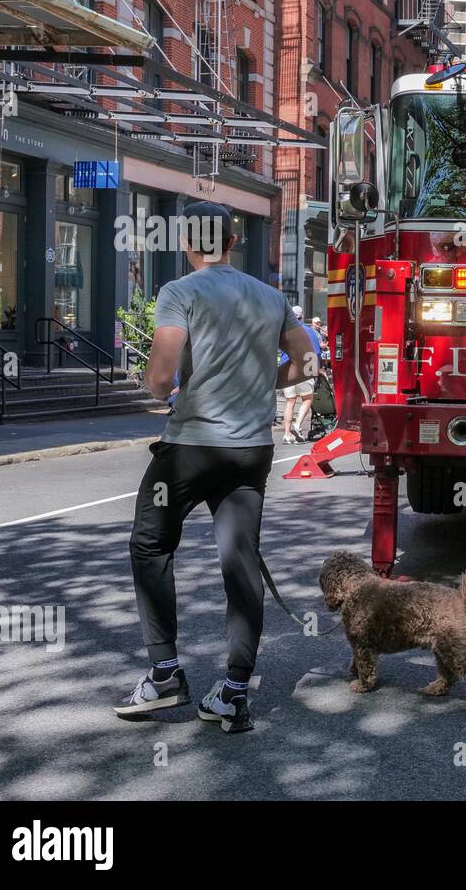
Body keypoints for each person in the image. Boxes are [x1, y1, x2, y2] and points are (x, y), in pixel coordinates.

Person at [114, 201, 315, 733]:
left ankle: (163, 674)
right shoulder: (271, 296)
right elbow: (309, 361)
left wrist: (162, 385)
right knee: (239, 561)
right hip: (251, 450)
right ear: (231, 241)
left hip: (192, 446)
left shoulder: (180, 292)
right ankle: (233, 691)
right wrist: (262, 384)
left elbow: (160, 377)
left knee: (150, 542)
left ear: (187, 243)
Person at [280, 305, 322, 443]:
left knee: (290, 402)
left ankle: (287, 434)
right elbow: (314, 353)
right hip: (304, 370)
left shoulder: (284, 331)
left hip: (287, 370)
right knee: (307, 399)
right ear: (302, 316)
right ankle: (297, 425)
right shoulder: (309, 331)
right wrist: (316, 371)